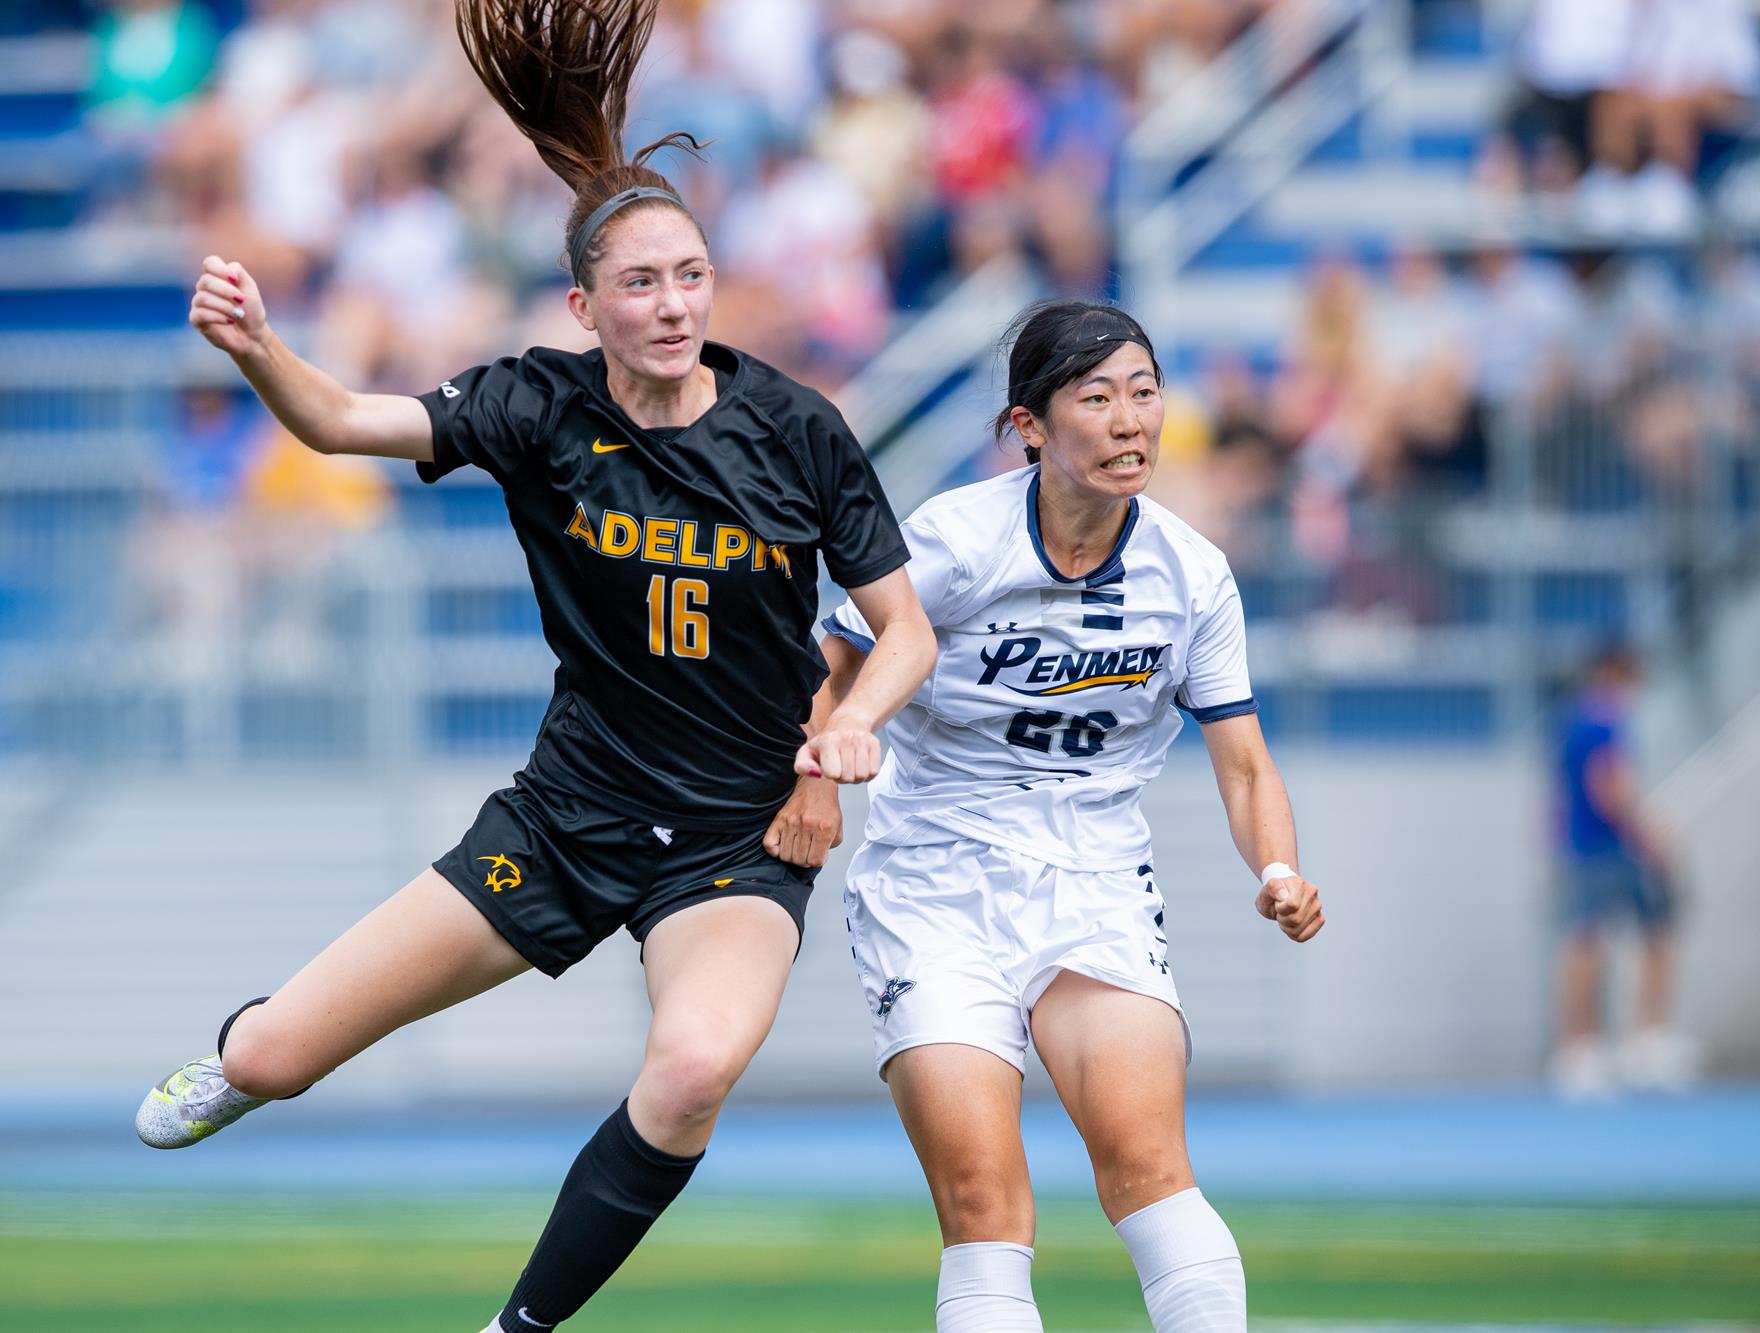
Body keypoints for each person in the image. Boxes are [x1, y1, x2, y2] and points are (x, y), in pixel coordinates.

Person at [131, 4, 937, 1332]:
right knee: (275, 1054)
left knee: (688, 1070)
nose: (672, 302)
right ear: (585, 305)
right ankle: (241, 1057)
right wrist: (259, 348)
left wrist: (848, 728)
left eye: (689, 274)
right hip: (568, 818)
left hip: (734, 840)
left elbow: (901, 630)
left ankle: (518, 1327)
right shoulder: (535, 404)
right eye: (640, 283)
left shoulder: (797, 429)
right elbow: (339, 421)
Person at [769, 302, 1324, 1333]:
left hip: (1095, 880)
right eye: (1096, 397)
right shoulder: (951, 537)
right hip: (933, 879)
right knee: (983, 1201)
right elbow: (829, 665)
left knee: (1148, 1169)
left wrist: (1278, 867)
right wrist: (814, 773)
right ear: (1027, 424)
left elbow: (1242, 762)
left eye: (1145, 393)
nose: (1129, 422)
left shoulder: (1190, 572)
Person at [1549, 643, 1695, 1098]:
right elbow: (1608, 787)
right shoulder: (1602, 721)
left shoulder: (1572, 721)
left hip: (1583, 845)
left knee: (1600, 941)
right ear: (1615, 671)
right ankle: (1628, 1044)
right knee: (1620, 941)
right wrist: (1648, 833)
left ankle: (1591, 1049)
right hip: (1609, 847)